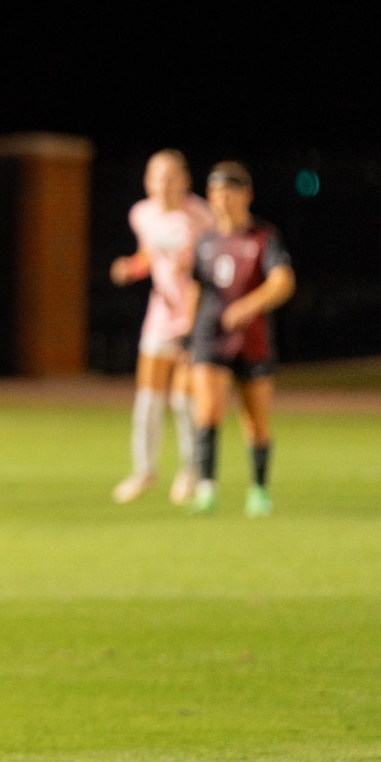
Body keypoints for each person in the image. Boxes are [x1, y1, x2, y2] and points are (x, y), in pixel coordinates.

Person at [182, 161, 295, 517]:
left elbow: (282, 282)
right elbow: (195, 290)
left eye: (230, 191)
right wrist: (188, 335)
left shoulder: (263, 237)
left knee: (255, 420)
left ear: (246, 194)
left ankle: (259, 489)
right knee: (208, 411)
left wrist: (249, 305)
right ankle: (206, 490)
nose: (222, 199)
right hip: (209, 336)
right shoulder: (205, 242)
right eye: (215, 192)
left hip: (252, 338)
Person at [109, 150, 215, 504]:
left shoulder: (201, 215)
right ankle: (144, 471)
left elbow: (213, 263)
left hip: (193, 314)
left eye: (171, 177)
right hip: (160, 312)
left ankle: (190, 470)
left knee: (183, 401)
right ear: (147, 181)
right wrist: (131, 268)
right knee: (147, 400)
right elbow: (149, 256)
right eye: (157, 176)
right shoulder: (142, 214)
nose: (164, 184)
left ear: (185, 180)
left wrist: (196, 272)